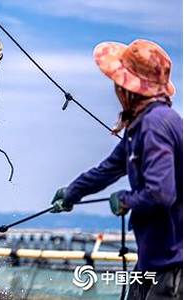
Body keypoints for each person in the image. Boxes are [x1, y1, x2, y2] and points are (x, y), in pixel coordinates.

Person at [50, 39, 182, 299]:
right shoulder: (142, 124)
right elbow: (108, 169)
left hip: (173, 266)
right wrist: (72, 192)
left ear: (128, 89)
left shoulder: (155, 125)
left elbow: (161, 194)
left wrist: (125, 200)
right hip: (152, 260)